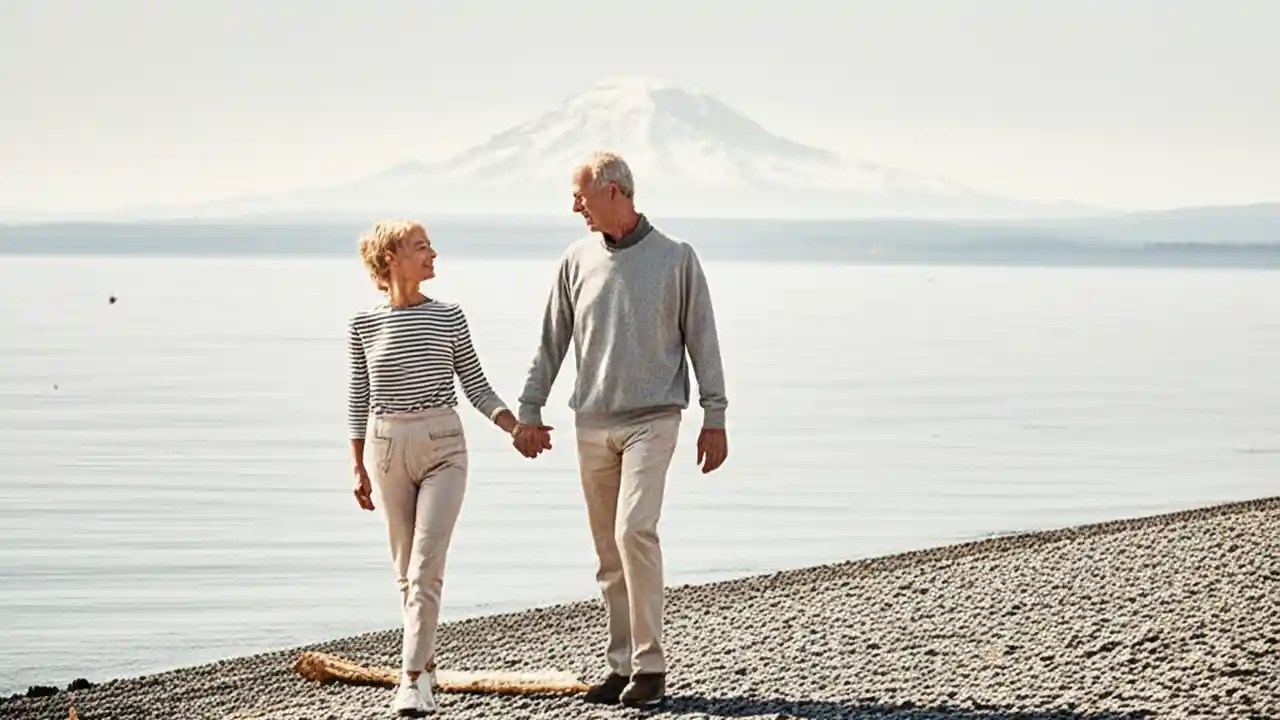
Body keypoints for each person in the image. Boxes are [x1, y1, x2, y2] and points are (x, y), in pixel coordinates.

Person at [512, 151, 730, 708]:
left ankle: (651, 666)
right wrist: (530, 409)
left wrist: (716, 416)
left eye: (581, 195)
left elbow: (703, 340)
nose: (574, 206)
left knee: (635, 530)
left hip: (653, 419)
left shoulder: (676, 258)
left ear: (615, 192)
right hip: (591, 423)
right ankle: (621, 665)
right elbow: (551, 341)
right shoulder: (575, 259)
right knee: (608, 552)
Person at [346, 219, 546, 717]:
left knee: (425, 567)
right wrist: (356, 467)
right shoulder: (363, 324)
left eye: (431, 246)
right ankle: (427, 666)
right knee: (403, 573)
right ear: (391, 257)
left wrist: (515, 427)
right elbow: (357, 397)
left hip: (443, 448)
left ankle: (410, 682)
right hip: (386, 446)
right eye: (420, 247)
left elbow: (476, 385)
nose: (433, 254)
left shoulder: (448, 317)